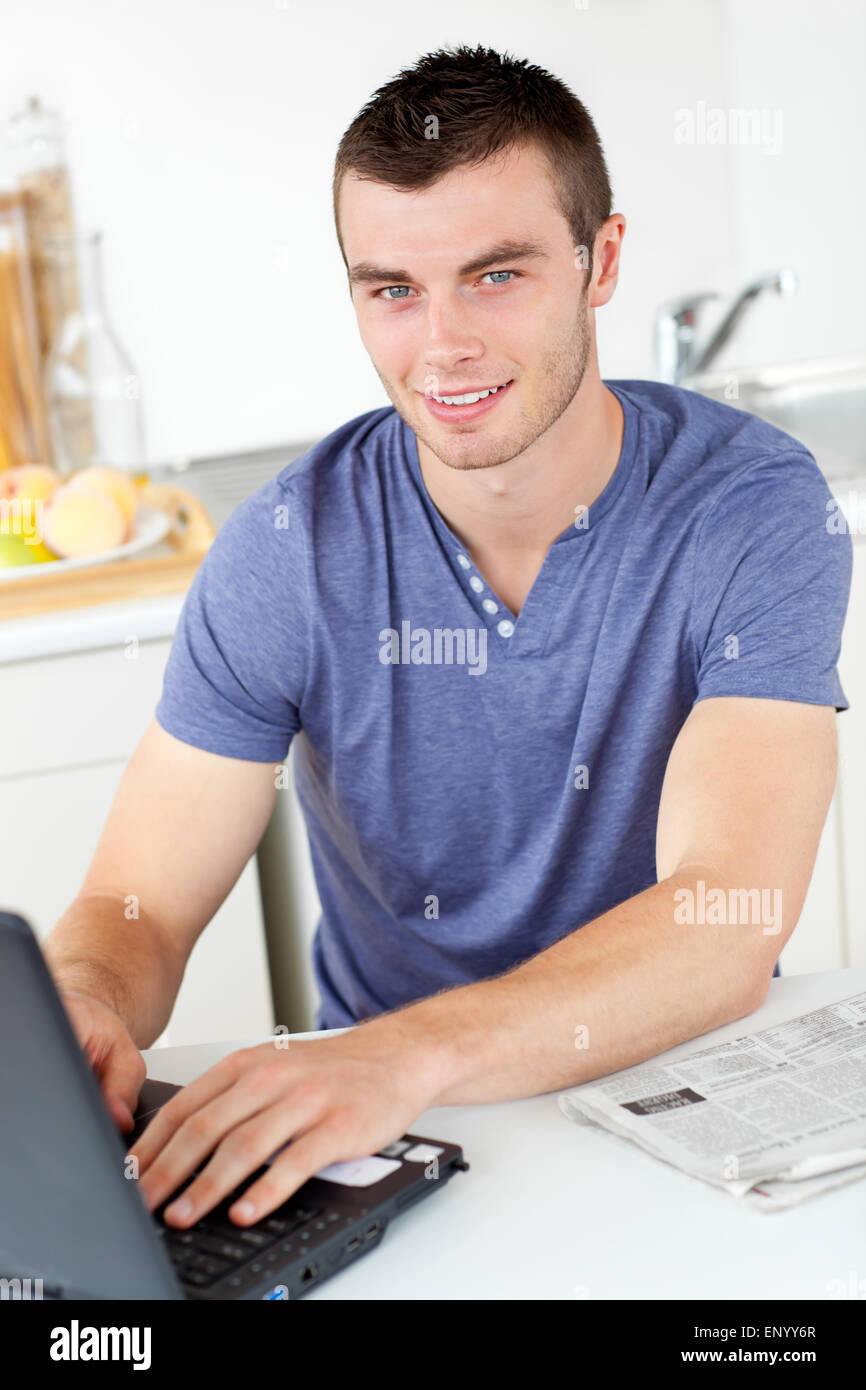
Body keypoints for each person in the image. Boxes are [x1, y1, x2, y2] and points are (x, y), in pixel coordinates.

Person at [45, 46, 851, 1232]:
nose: (441, 345)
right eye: (392, 289)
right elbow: (138, 905)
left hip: (674, 1099)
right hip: (392, 1136)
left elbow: (723, 912)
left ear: (600, 260)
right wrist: (86, 998)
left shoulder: (750, 508)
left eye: (493, 275)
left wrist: (397, 1056)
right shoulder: (288, 548)